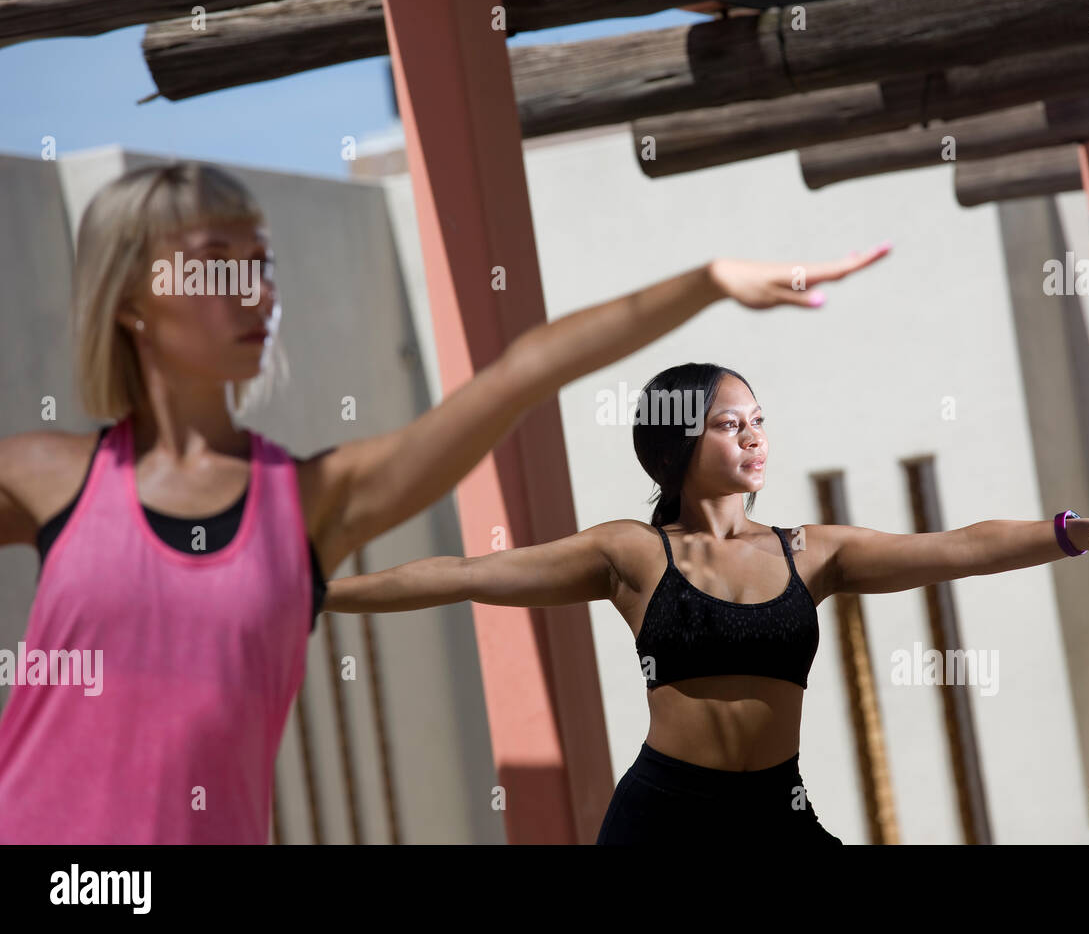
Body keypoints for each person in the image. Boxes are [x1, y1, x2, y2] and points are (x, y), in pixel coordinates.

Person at [0, 161, 890, 844]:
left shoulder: (312, 498)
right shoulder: (45, 474)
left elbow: (521, 373)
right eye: (212, 263)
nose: (254, 289)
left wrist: (706, 280)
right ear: (128, 298)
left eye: (262, 262)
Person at [323, 362, 1089, 845]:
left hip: (776, 813)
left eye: (757, 418)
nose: (753, 434)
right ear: (678, 443)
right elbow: (466, 575)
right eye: (727, 421)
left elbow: (960, 548)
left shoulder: (811, 551)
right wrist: (319, 595)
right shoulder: (630, 554)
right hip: (664, 818)